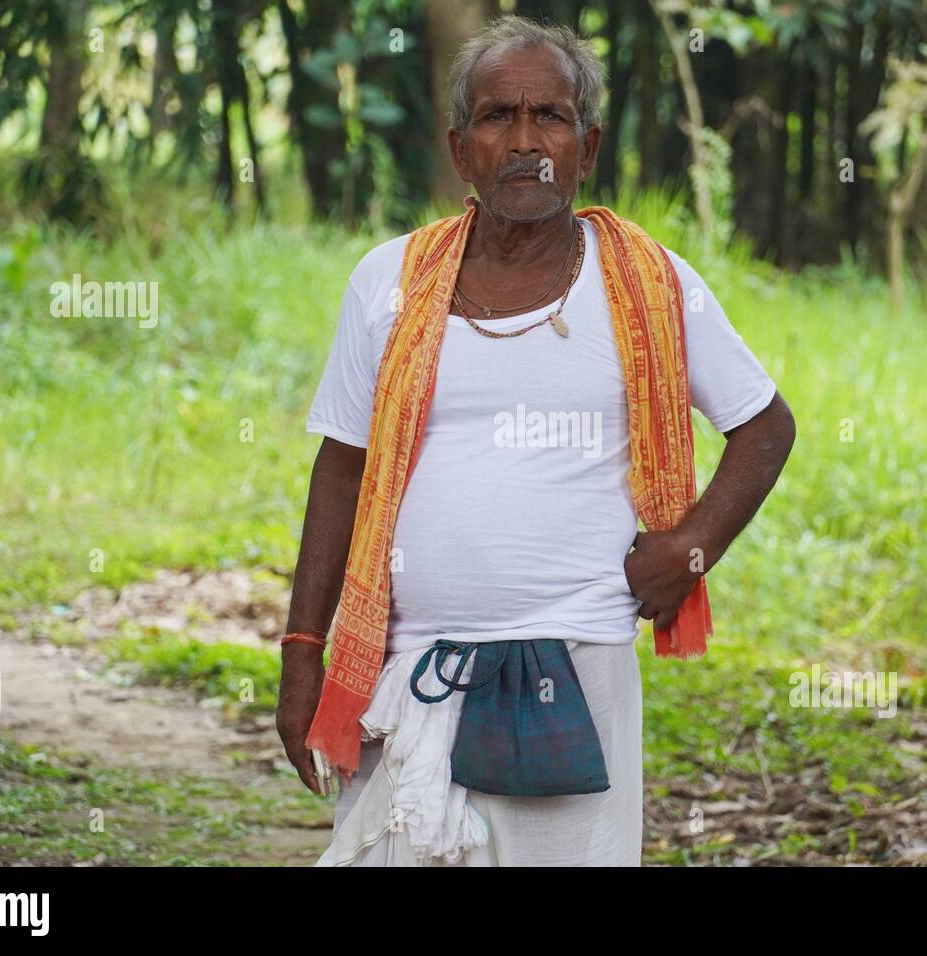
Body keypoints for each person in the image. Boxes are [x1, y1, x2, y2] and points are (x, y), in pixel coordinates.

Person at [276, 14, 795, 867]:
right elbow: (343, 466)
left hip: (578, 668)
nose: (526, 141)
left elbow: (765, 423)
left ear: (586, 147)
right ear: (460, 149)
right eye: (497, 117)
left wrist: (693, 546)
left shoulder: (650, 283)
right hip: (406, 673)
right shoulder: (388, 281)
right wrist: (303, 653)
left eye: (550, 117)